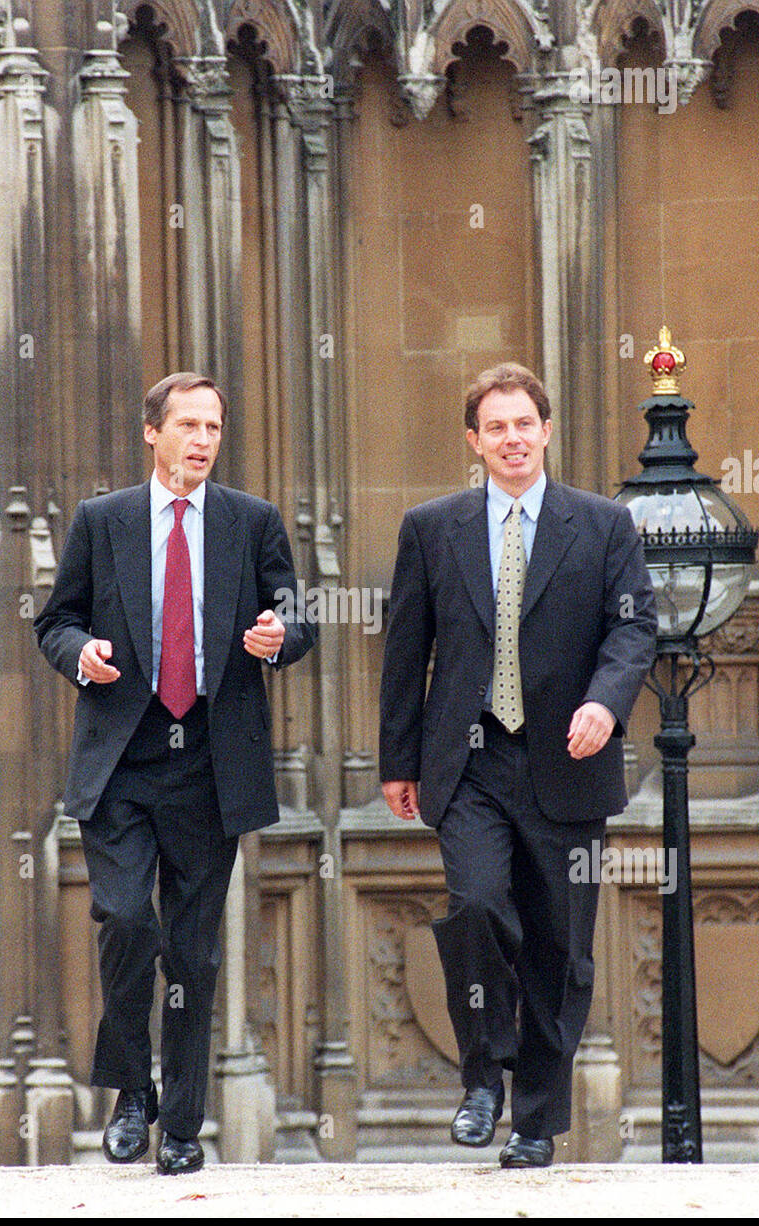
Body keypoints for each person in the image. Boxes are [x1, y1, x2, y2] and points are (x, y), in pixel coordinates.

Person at [35, 371, 316, 1174]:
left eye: (213, 427)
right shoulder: (103, 521)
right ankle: (132, 1092)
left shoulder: (252, 521)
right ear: (152, 432)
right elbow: (55, 620)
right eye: (188, 424)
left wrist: (279, 636)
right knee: (127, 920)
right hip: (123, 758)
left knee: (194, 955)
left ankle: (185, 1128)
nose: (202, 439)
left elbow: (295, 615)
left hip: (211, 764)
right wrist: (82, 654)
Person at [378, 362, 656, 1167]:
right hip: (467, 763)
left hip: (567, 759)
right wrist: (398, 760)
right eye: (495, 427)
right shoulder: (431, 528)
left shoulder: (603, 525)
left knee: (559, 952)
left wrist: (605, 702)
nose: (511, 439)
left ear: (546, 431)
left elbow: (633, 627)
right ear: (474, 440)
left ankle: (535, 1123)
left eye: (523, 424)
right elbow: (405, 650)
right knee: (475, 905)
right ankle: (482, 1077)